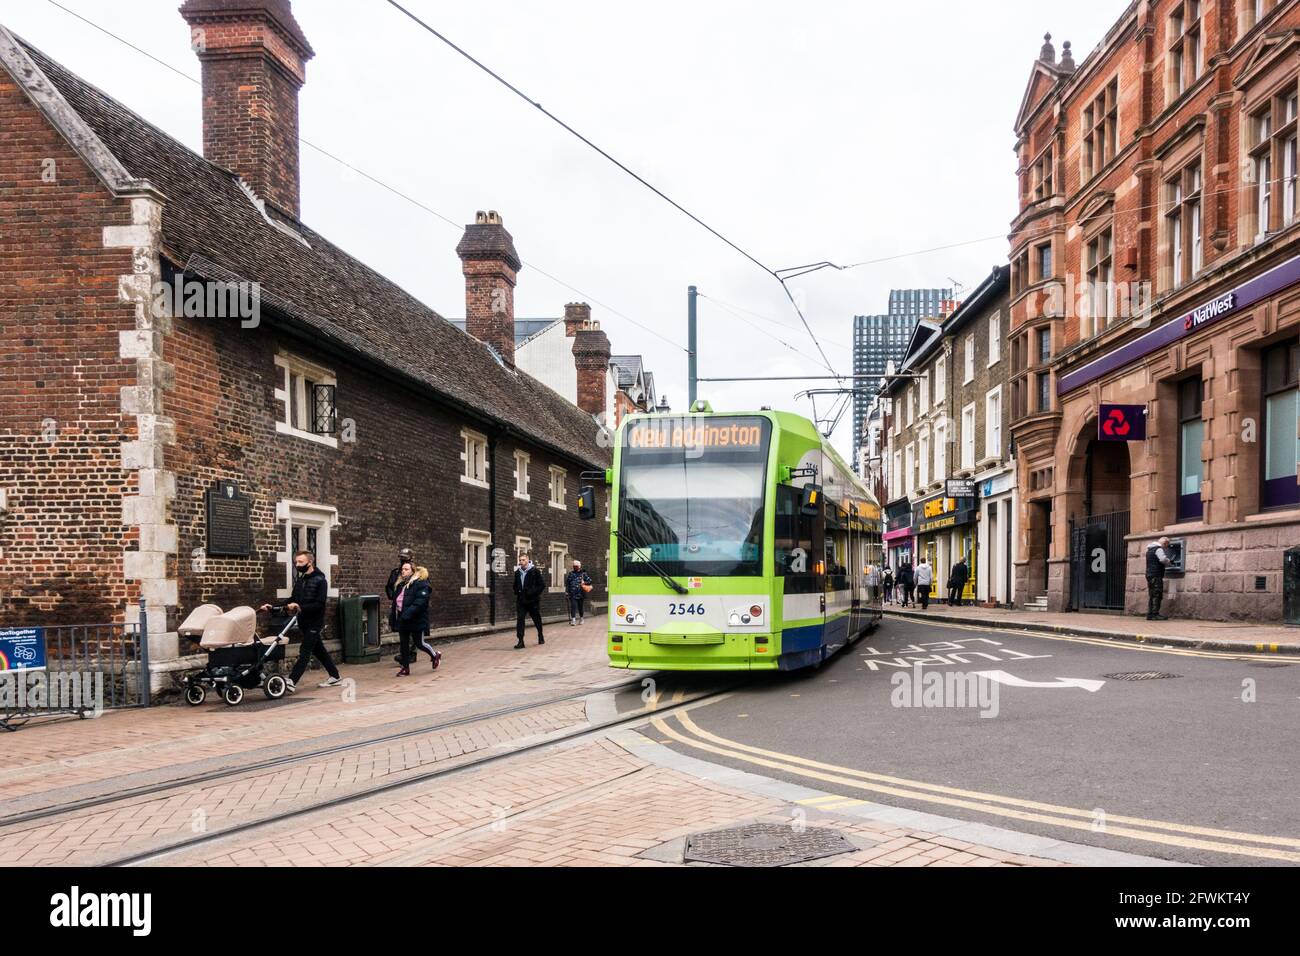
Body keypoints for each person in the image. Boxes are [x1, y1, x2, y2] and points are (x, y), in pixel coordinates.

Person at [260, 550, 341, 693]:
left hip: (315, 622)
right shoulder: (301, 580)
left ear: (310, 562)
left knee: (305, 651)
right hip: (303, 621)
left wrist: (299, 607)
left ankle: (292, 680)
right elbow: (292, 599)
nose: (297, 565)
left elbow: (320, 604)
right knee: (319, 650)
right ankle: (335, 676)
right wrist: (272, 607)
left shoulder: (321, 580)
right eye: (296, 562)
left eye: (301, 562)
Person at [390, 560, 441, 675]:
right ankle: (405, 668)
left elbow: (420, 602)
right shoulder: (401, 584)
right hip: (403, 619)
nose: (403, 571)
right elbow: (396, 601)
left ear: (413, 571)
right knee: (403, 644)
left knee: (419, 643)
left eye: (406, 569)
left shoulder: (421, 583)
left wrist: (407, 614)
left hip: (416, 619)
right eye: (402, 569)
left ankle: (435, 655)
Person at [386, 547, 414, 665]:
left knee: (411, 630)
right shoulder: (395, 572)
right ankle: (405, 654)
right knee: (402, 629)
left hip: (410, 606)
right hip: (398, 606)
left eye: (405, 559)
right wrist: (394, 596)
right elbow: (388, 586)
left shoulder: (415, 572)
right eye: (402, 559)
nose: (403, 561)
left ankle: (410, 654)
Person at [513, 551, 547, 648]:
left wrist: (532, 592)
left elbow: (542, 585)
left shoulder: (534, 571)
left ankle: (540, 635)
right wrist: (516, 591)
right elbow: (515, 585)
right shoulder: (517, 573)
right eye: (520, 560)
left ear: (527, 560)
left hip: (533, 601)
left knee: (536, 619)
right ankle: (520, 641)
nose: (521, 562)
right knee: (520, 619)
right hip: (521, 601)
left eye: (523, 560)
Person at [1145, 535, 1172, 621]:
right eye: (1166, 546)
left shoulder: (1149, 550)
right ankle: (1155, 614)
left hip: (1149, 574)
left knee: (1152, 594)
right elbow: (1162, 559)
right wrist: (1169, 562)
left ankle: (1150, 614)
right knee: (1157, 594)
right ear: (1165, 543)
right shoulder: (1158, 549)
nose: (1165, 548)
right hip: (1156, 574)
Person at [564, 559, 592, 626]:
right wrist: (567, 592)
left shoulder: (583, 574)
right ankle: (573, 620)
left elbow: (590, 581)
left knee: (580, 607)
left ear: (579, 566)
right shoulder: (571, 574)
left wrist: (584, 582)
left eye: (576, 566)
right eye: (574, 566)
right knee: (573, 606)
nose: (575, 567)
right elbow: (567, 583)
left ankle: (581, 618)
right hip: (572, 593)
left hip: (581, 593)